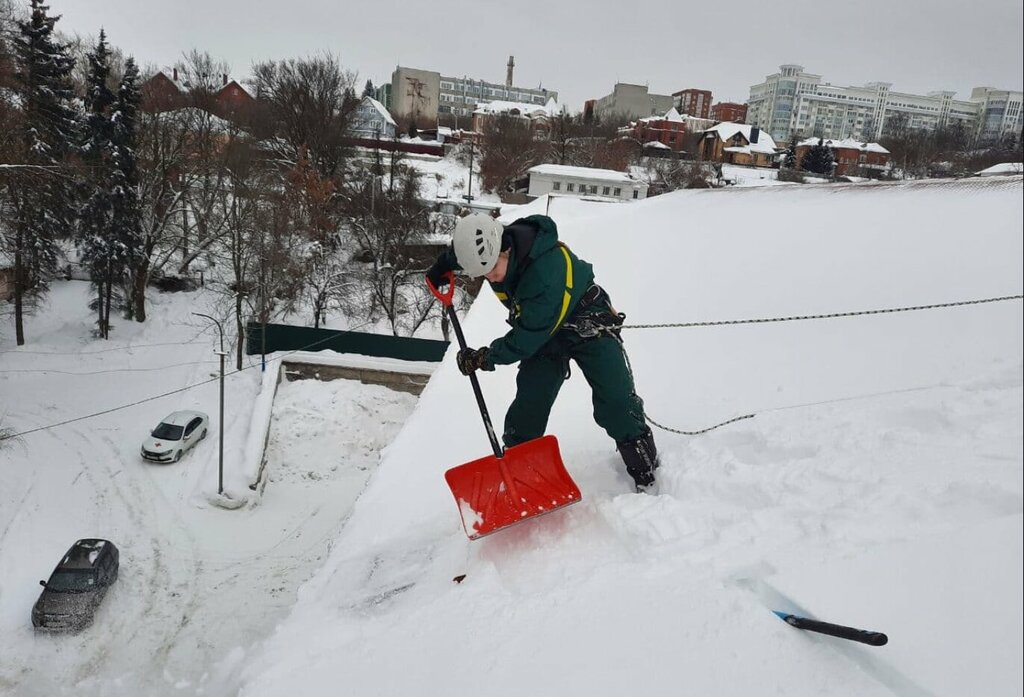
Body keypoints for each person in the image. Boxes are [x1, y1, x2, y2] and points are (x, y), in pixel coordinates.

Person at [426, 213, 659, 493]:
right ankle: (518, 473)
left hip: (587, 323)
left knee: (616, 401)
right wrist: (441, 265)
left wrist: (485, 358)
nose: (489, 277)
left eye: (491, 269)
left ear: (506, 249)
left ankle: (646, 471)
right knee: (530, 400)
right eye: (482, 272)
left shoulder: (544, 274)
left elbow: (525, 339)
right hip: (542, 329)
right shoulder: (490, 247)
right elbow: (464, 252)